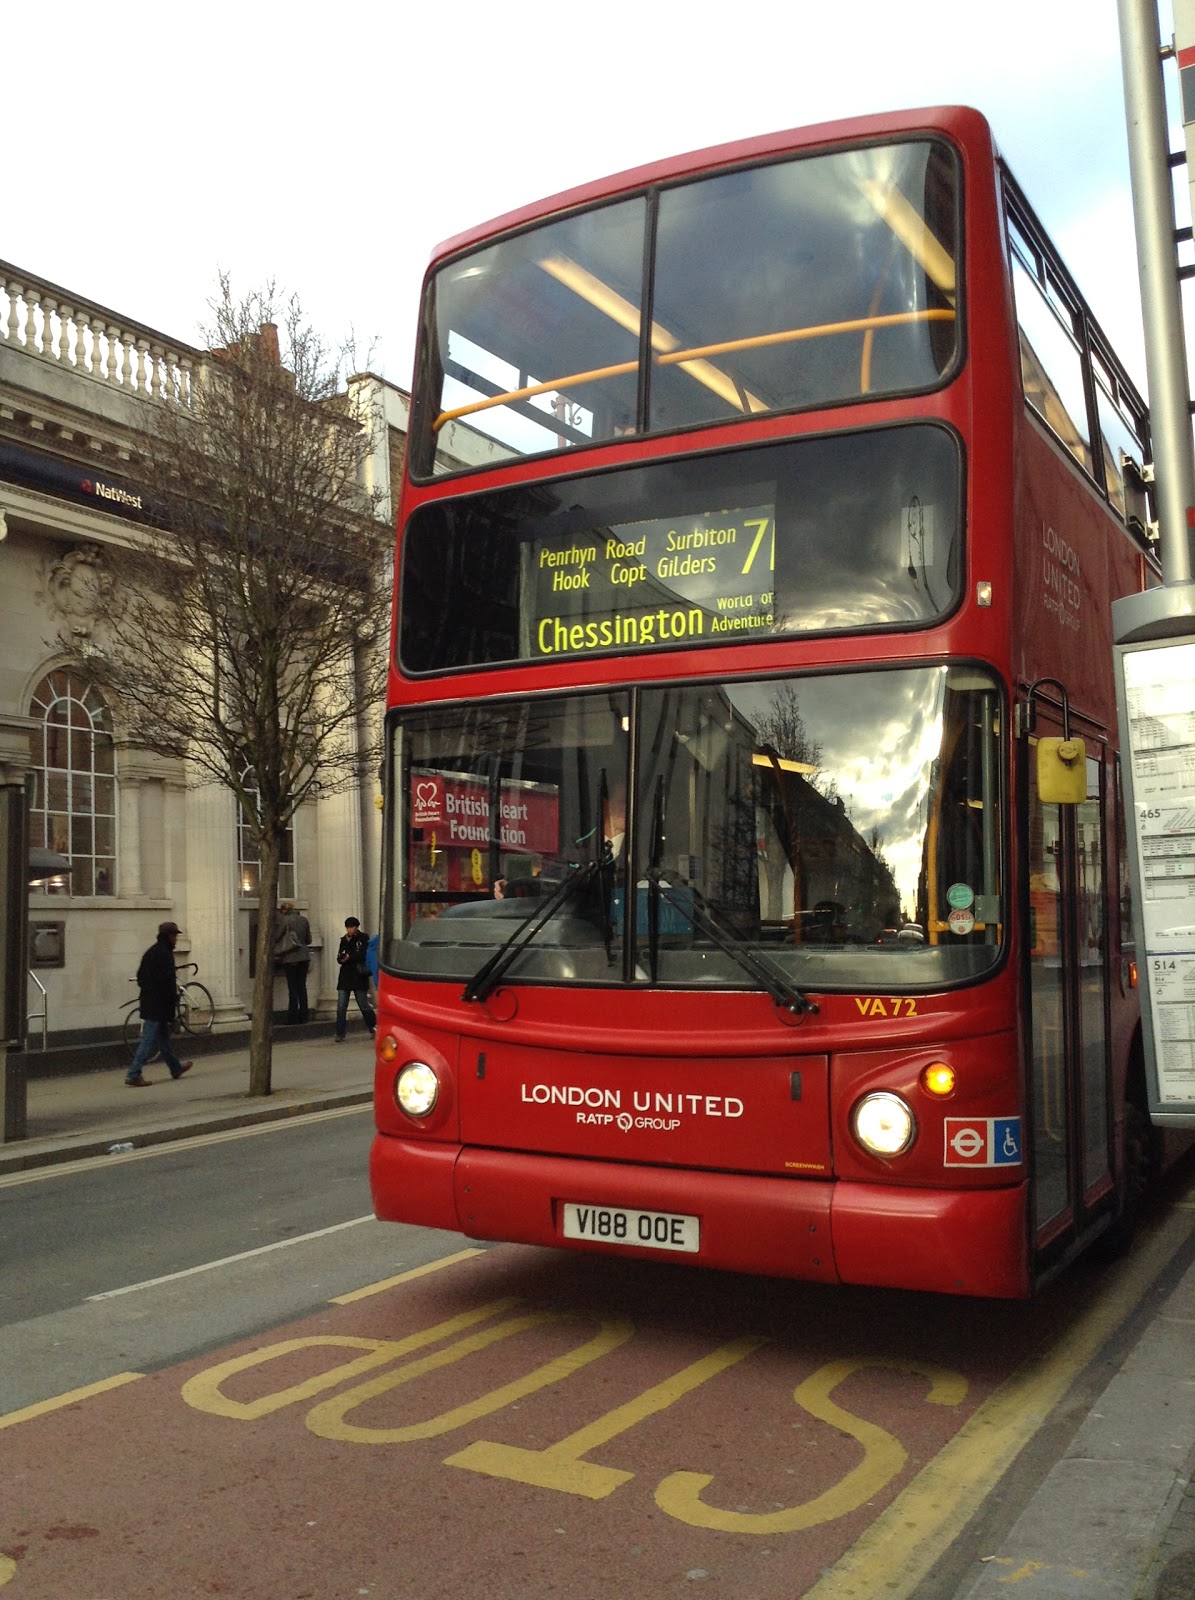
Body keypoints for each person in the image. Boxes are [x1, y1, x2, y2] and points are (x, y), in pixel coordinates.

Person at [126, 921, 194, 1087]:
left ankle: (175, 1067)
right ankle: (134, 1073)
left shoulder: (152, 952)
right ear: (169, 936)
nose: (177, 939)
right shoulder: (165, 954)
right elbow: (168, 982)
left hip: (150, 1001)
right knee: (148, 1039)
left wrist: (150, 992)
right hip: (159, 1004)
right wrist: (171, 999)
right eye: (175, 936)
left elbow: (141, 977)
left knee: (163, 1039)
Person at [334, 917, 377, 1042]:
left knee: (363, 1005)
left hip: (358, 975)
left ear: (356, 927)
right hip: (345, 976)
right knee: (341, 1006)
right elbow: (340, 955)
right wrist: (341, 958)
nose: (349, 930)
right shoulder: (343, 940)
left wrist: (350, 957)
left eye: (351, 927)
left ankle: (373, 1026)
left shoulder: (363, 938)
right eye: (347, 927)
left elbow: (363, 954)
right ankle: (340, 1032)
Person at [274, 900, 312, 1024]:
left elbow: (276, 937)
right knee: (302, 987)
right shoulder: (304, 920)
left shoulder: (285, 920)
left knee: (293, 988)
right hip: (304, 957)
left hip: (291, 957)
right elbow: (309, 939)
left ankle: (293, 1017)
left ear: (284, 911)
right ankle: (304, 1015)